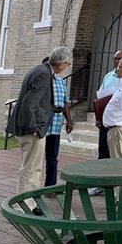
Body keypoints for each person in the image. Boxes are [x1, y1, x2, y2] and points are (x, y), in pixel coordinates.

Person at [8, 46, 73, 195]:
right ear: (61, 63)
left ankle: (28, 202)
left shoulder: (40, 70)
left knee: (30, 168)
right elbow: (29, 103)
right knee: (32, 169)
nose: (66, 67)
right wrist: (33, 127)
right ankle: (26, 203)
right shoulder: (44, 74)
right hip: (31, 129)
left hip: (31, 127)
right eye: (67, 64)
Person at [44, 62, 73, 191]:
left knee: (52, 158)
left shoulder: (61, 82)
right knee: (37, 158)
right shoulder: (42, 81)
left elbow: (65, 102)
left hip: (56, 124)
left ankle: (50, 188)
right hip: (42, 125)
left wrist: (69, 121)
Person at [96, 49, 122, 161]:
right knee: (103, 153)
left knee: (115, 156)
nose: (117, 61)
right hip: (105, 119)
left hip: (118, 122)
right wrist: (98, 117)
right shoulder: (108, 76)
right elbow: (100, 97)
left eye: (120, 59)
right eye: (116, 59)